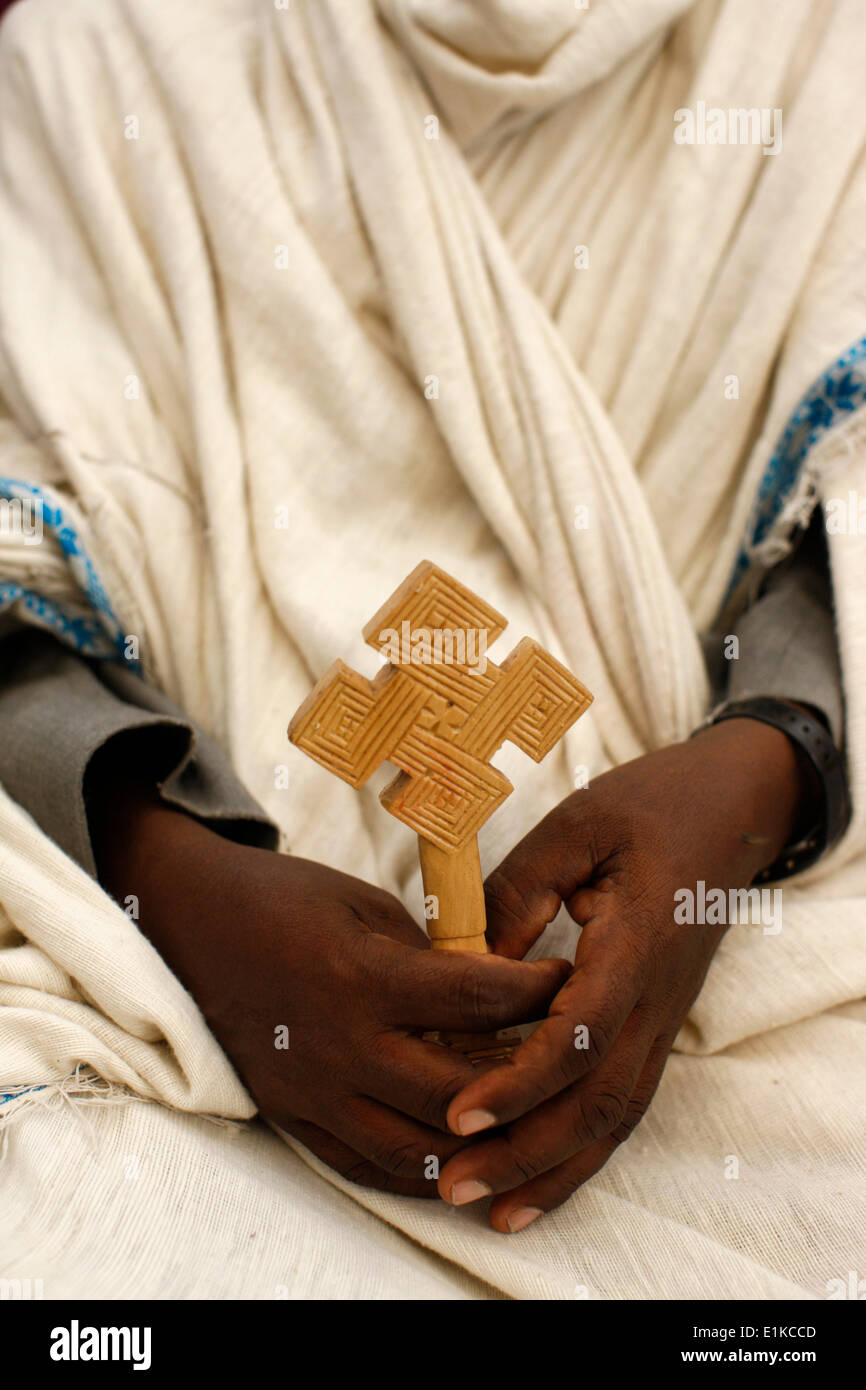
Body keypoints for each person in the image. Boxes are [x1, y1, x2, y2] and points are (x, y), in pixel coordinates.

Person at [0, 0, 863, 1299]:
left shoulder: (818, 49)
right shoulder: (102, 58)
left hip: (758, 935)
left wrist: (757, 775)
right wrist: (171, 884)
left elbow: (842, 518)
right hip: (167, 981)